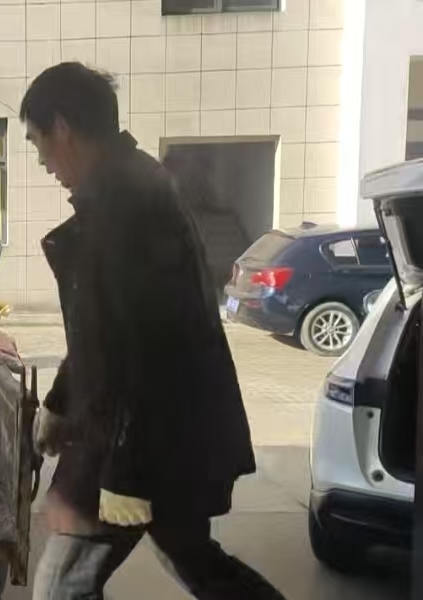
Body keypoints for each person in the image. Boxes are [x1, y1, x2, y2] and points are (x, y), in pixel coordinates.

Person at [21, 62, 286, 600]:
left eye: (37, 141)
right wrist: (60, 401)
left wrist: (125, 475)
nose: (42, 160)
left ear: (63, 127)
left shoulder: (127, 205)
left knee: (61, 586)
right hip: (165, 437)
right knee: (194, 557)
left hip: (147, 442)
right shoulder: (127, 186)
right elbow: (105, 331)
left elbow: (150, 349)